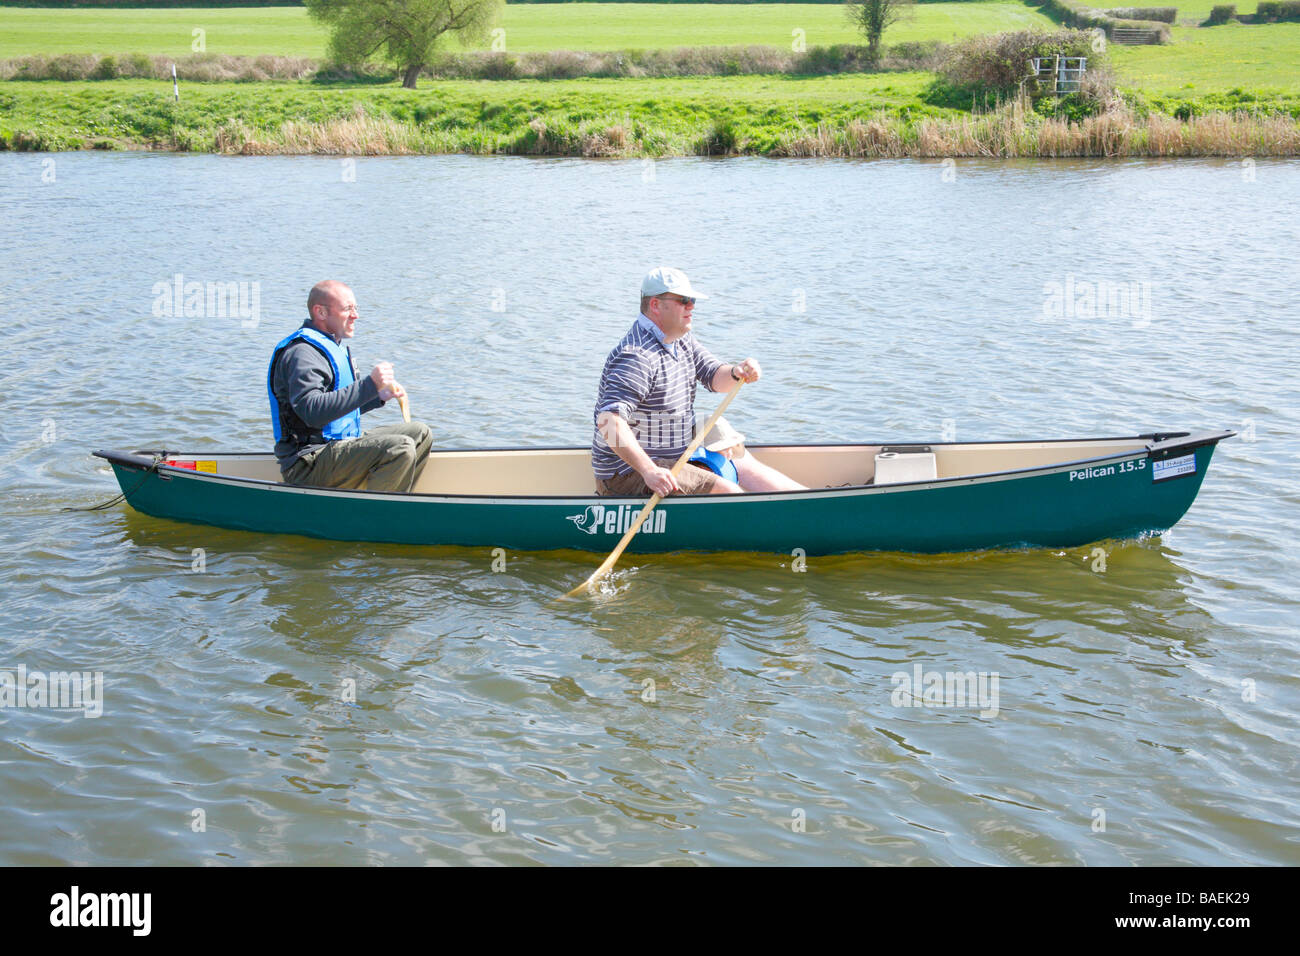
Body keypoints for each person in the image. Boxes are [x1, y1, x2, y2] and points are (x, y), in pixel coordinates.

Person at [592, 267, 761, 497]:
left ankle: (795, 499)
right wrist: (649, 470)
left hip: (669, 455)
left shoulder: (682, 340)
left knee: (732, 452)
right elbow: (608, 422)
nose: (691, 306)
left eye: (691, 300)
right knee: (728, 492)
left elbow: (715, 377)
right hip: (626, 476)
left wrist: (737, 372)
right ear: (655, 305)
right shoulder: (637, 356)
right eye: (683, 300)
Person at [268, 280, 432, 493]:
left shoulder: (328, 347)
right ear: (321, 312)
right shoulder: (303, 354)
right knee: (400, 448)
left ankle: (394, 500)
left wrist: (377, 396)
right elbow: (312, 413)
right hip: (308, 462)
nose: (355, 315)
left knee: (420, 433)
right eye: (347, 309)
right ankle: (374, 516)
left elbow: (335, 411)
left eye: (356, 308)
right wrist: (369, 385)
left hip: (335, 447)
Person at [687, 417, 806, 492]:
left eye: (731, 449)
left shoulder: (725, 463)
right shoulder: (702, 469)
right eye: (724, 449)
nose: (730, 454)